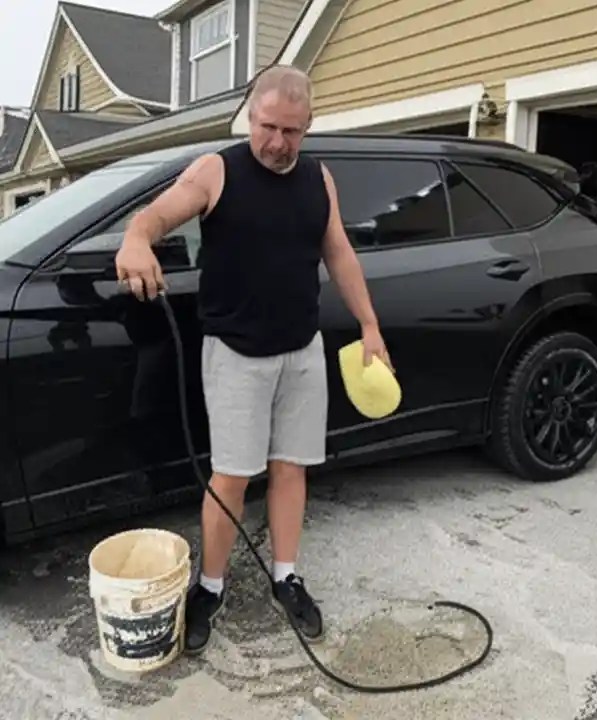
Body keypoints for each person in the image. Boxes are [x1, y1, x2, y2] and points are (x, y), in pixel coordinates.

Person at [113, 65, 393, 654]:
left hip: (302, 350)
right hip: (236, 354)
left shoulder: (320, 180)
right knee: (232, 477)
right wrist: (136, 240)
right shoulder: (218, 171)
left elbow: (339, 253)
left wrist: (369, 325)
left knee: (292, 469)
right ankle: (210, 587)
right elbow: (157, 215)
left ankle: (285, 576)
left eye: (291, 131)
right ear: (250, 117)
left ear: (308, 125)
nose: (277, 142)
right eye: (267, 126)